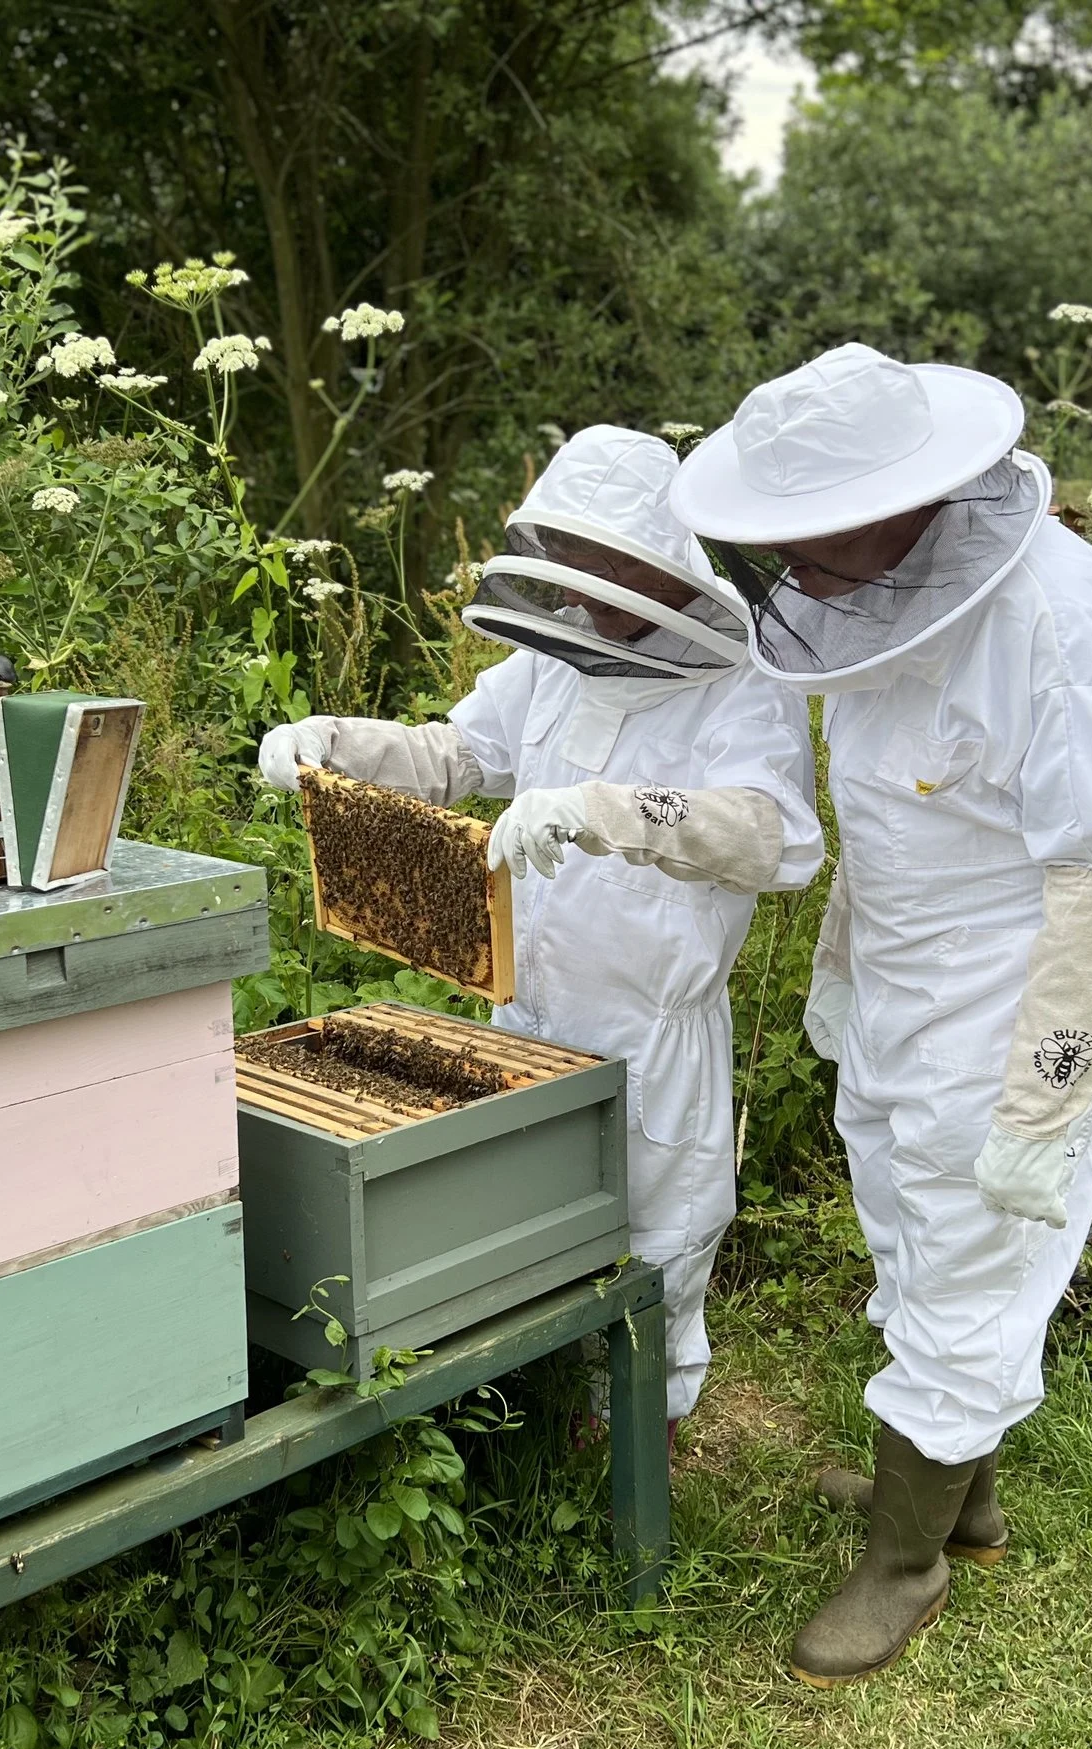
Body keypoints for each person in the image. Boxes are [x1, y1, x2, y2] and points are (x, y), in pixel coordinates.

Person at [668, 344, 1092, 1685]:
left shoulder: (1066, 617)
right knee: (916, 1225)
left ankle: (908, 1558)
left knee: (976, 1250)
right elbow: (898, 815)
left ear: (905, 495)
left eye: (809, 537)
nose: (793, 568)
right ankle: (963, 1495)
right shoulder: (873, 596)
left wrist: (1047, 1089)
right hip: (900, 975)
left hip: (1010, 998)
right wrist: (848, 963)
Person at [257, 425, 822, 1429]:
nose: (585, 588)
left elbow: (773, 840)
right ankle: (541, 1419)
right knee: (525, 1225)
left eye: (607, 564)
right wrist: (333, 744)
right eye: (574, 562)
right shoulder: (555, 658)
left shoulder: (741, 680)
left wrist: (616, 813)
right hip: (527, 1008)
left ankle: (649, 1430)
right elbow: (452, 758)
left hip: (653, 1022)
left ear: (660, 556)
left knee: (665, 1230)